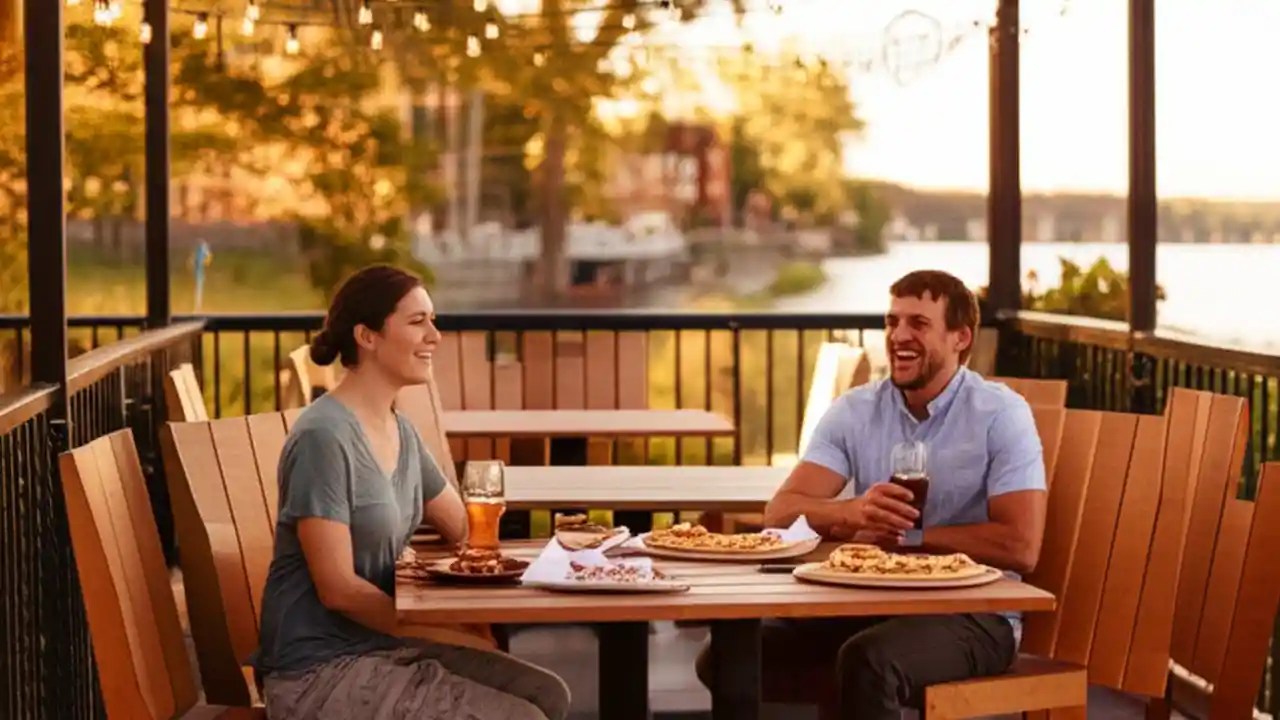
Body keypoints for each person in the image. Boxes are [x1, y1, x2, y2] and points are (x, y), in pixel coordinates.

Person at [696, 269, 1047, 719]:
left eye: (918, 324)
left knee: (869, 662)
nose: (899, 335)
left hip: (975, 615)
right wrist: (852, 512)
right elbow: (780, 513)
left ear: (961, 338)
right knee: (728, 655)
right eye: (892, 322)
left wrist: (913, 537)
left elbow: (1022, 547)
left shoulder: (1001, 414)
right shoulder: (857, 410)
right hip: (869, 600)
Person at [253, 264, 571, 720]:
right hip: (318, 672)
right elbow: (338, 589)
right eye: (417, 321)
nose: (435, 336)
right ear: (367, 336)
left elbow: (463, 527)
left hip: (382, 644)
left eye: (433, 320)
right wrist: (441, 629)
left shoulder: (399, 429)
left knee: (547, 693)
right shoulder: (324, 437)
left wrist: (567, 558)